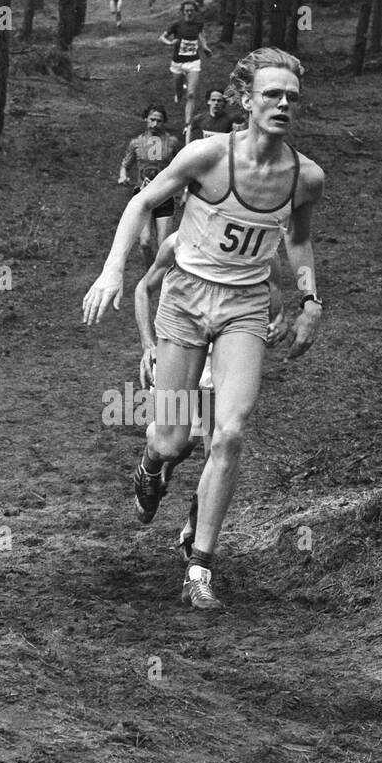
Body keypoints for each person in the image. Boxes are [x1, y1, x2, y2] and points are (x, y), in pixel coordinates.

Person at [83, 47, 324, 613]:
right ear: (246, 100)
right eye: (272, 94)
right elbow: (143, 199)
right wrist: (114, 268)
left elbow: (298, 241)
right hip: (186, 299)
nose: (283, 104)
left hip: (244, 307)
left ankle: (199, 566)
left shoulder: (305, 177)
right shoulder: (206, 156)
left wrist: (310, 299)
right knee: (170, 438)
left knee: (231, 432)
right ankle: (152, 467)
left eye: (291, 97)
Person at [134, 230, 289, 560]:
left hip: (221, 362)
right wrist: (148, 345)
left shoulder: (266, 254)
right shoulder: (180, 243)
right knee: (176, 443)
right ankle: (151, 467)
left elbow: (275, 306)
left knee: (216, 449)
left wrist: (278, 324)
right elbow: (143, 289)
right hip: (180, 350)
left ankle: (194, 528)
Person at [118, 105, 181, 269]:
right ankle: (150, 273)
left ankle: (162, 277)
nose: (154, 124)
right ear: (146, 119)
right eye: (152, 120)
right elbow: (125, 164)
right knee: (145, 242)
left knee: (163, 244)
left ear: (164, 122)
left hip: (164, 195)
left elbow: (181, 164)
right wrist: (123, 175)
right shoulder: (136, 143)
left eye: (159, 121)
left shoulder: (172, 142)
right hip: (143, 195)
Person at [159, 0, 213, 143]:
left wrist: (205, 48)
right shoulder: (177, 25)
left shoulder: (198, 25)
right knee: (179, 89)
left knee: (191, 94)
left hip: (193, 62)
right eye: (186, 10)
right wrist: (170, 43)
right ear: (183, 12)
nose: (189, 13)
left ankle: (187, 123)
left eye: (191, 10)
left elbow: (201, 37)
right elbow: (162, 38)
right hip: (177, 63)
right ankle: (178, 92)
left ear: (194, 12)